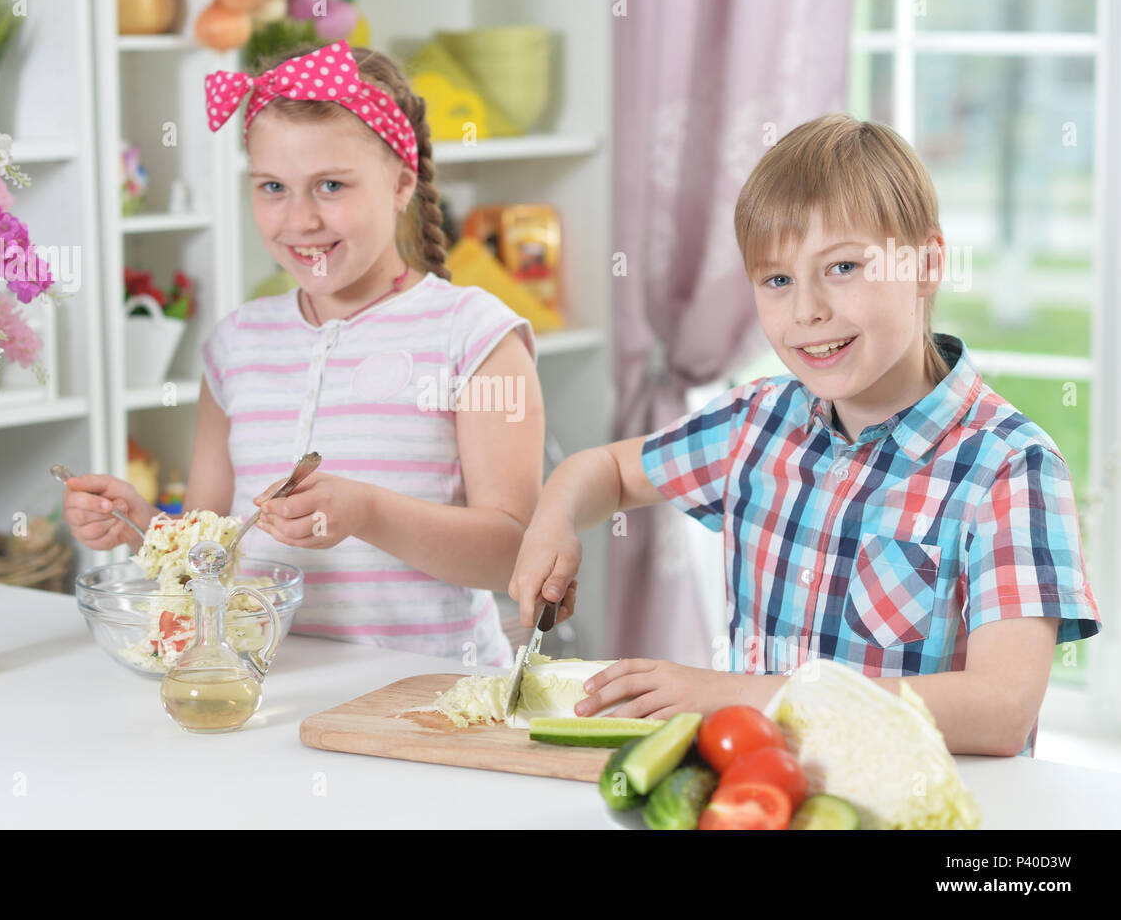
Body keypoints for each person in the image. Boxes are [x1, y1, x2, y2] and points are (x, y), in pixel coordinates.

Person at [508, 113, 1101, 756]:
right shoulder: (756, 424)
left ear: (928, 263)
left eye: (842, 267)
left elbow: (1001, 710)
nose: (807, 310)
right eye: (777, 280)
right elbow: (611, 471)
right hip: (762, 799)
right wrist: (555, 515)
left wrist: (738, 694)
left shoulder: (1010, 468)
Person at [65, 42, 544, 668]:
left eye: (331, 186)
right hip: (262, 685)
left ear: (401, 182)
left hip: (431, 696)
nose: (300, 219)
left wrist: (367, 511)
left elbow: (513, 552)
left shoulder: (475, 336)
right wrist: (143, 526)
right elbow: (212, 549)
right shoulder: (235, 346)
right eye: (273, 187)